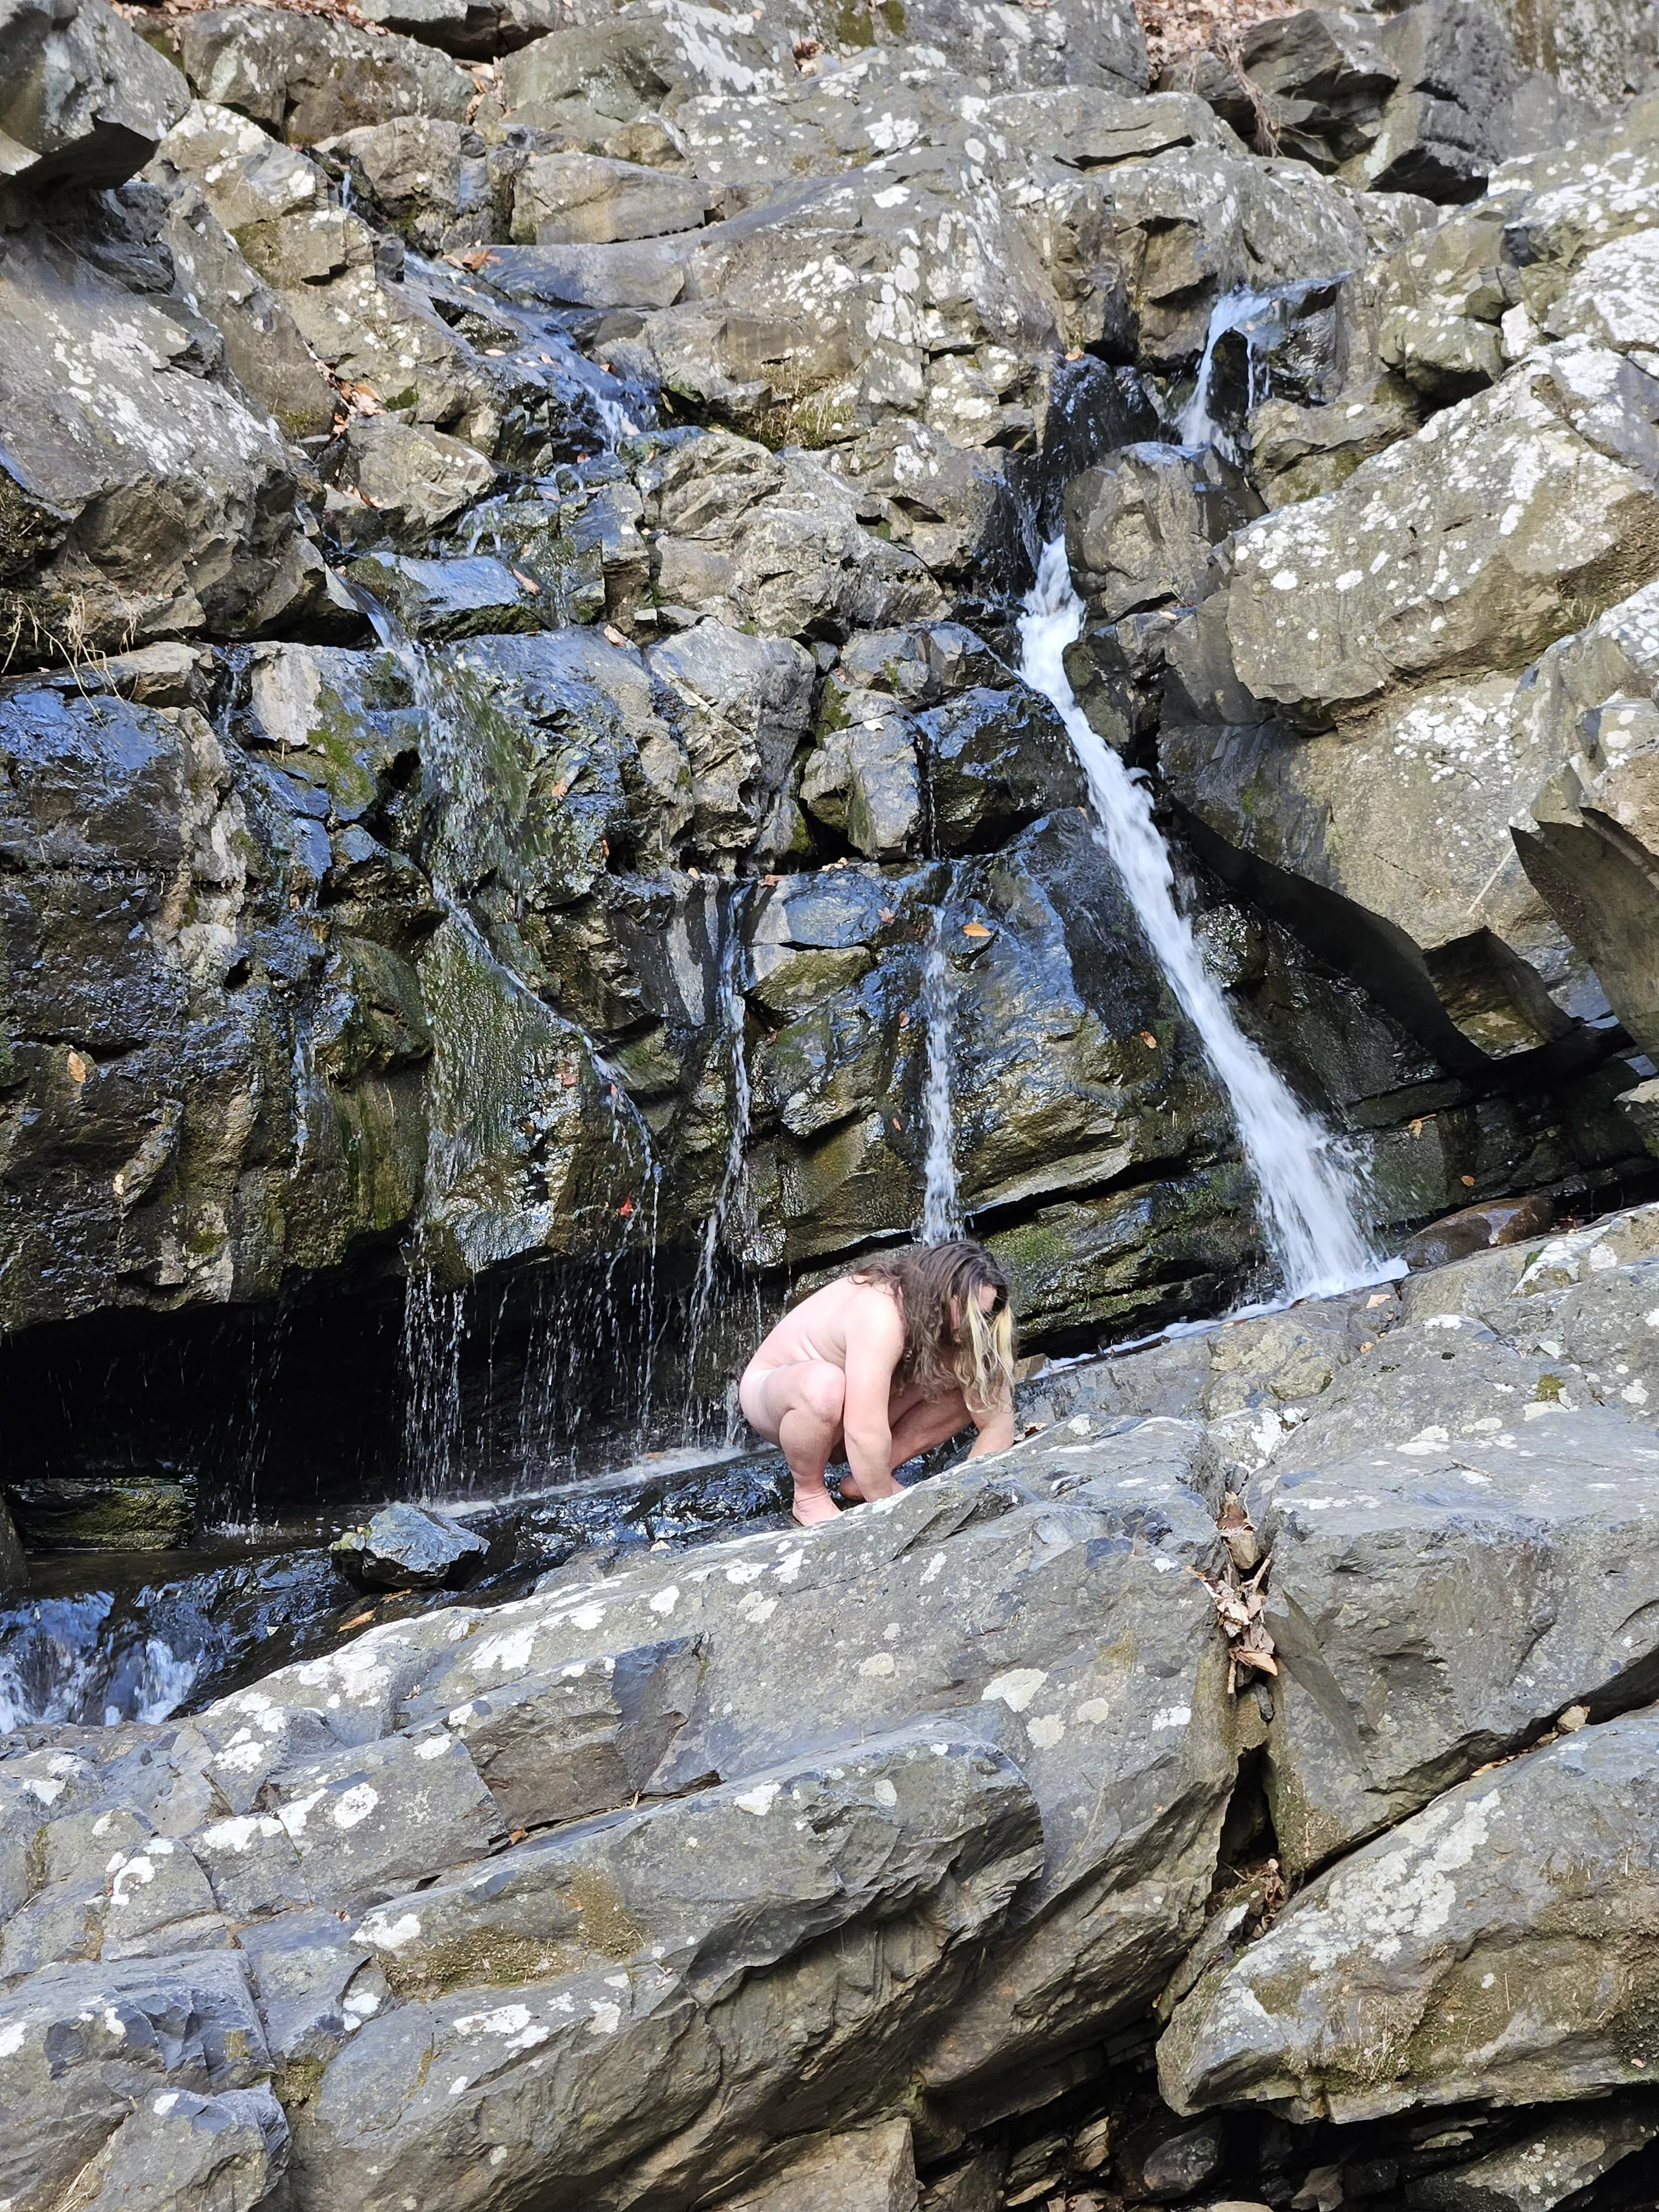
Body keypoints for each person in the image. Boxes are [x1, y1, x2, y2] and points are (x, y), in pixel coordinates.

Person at [738, 1240, 1017, 1528]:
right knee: (824, 1386)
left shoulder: (963, 1330)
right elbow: (863, 1430)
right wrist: (892, 1510)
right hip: (779, 1397)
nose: (978, 1325)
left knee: (972, 1379)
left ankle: (868, 1477)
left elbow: (997, 1423)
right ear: (941, 1294)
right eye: (970, 1313)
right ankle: (809, 1494)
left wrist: (973, 1494)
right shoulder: (883, 1311)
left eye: (985, 1316)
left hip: (848, 1413)